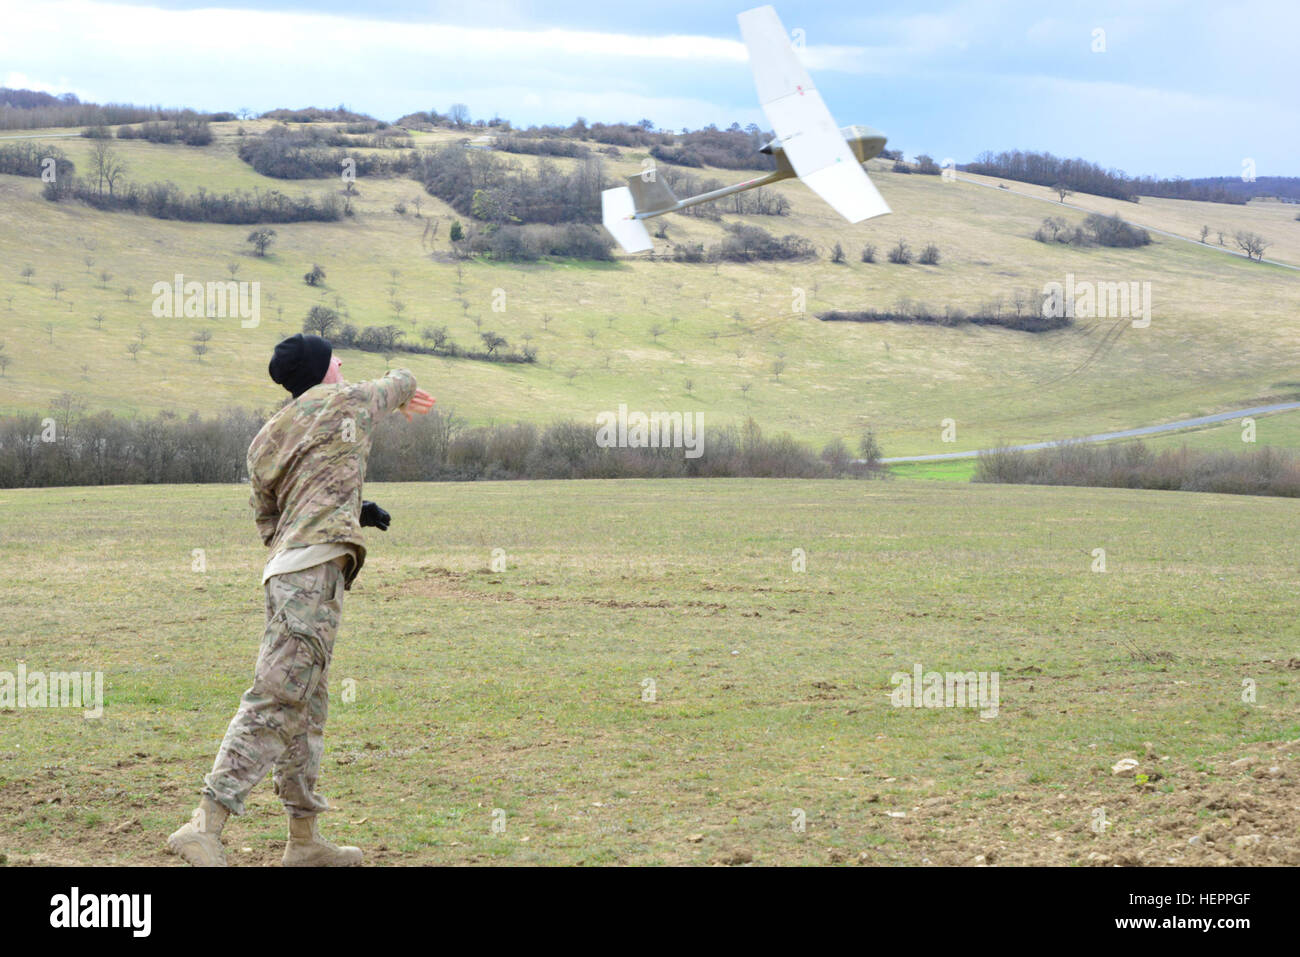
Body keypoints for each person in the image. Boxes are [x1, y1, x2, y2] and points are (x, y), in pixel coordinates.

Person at [167, 333, 434, 866]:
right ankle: (204, 823)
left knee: (307, 707)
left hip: (288, 572)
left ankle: (304, 839)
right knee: (278, 698)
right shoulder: (345, 399)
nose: (342, 365)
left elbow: (271, 517)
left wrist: (345, 511)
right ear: (324, 370)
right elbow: (399, 380)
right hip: (311, 576)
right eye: (337, 359)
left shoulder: (268, 437)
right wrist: (407, 387)